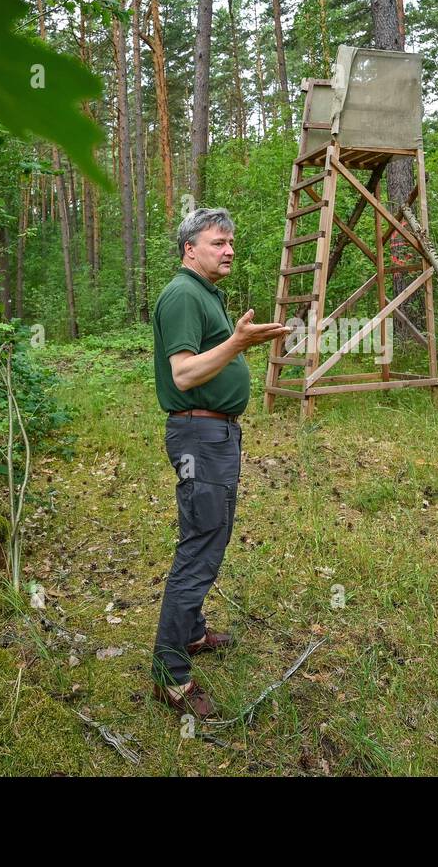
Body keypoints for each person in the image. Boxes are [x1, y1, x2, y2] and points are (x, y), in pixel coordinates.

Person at [150, 207, 288, 719]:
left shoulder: (206, 293)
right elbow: (184, 374)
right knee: (201, 543)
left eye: (231, 241)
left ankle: (191, 631)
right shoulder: (183, 294)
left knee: (212, 532)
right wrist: (238, 343)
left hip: (214, 433)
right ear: (190, 248)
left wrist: (237, 342)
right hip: (197, 435)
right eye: (217, 242)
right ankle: (170, 673)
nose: (228, 249)